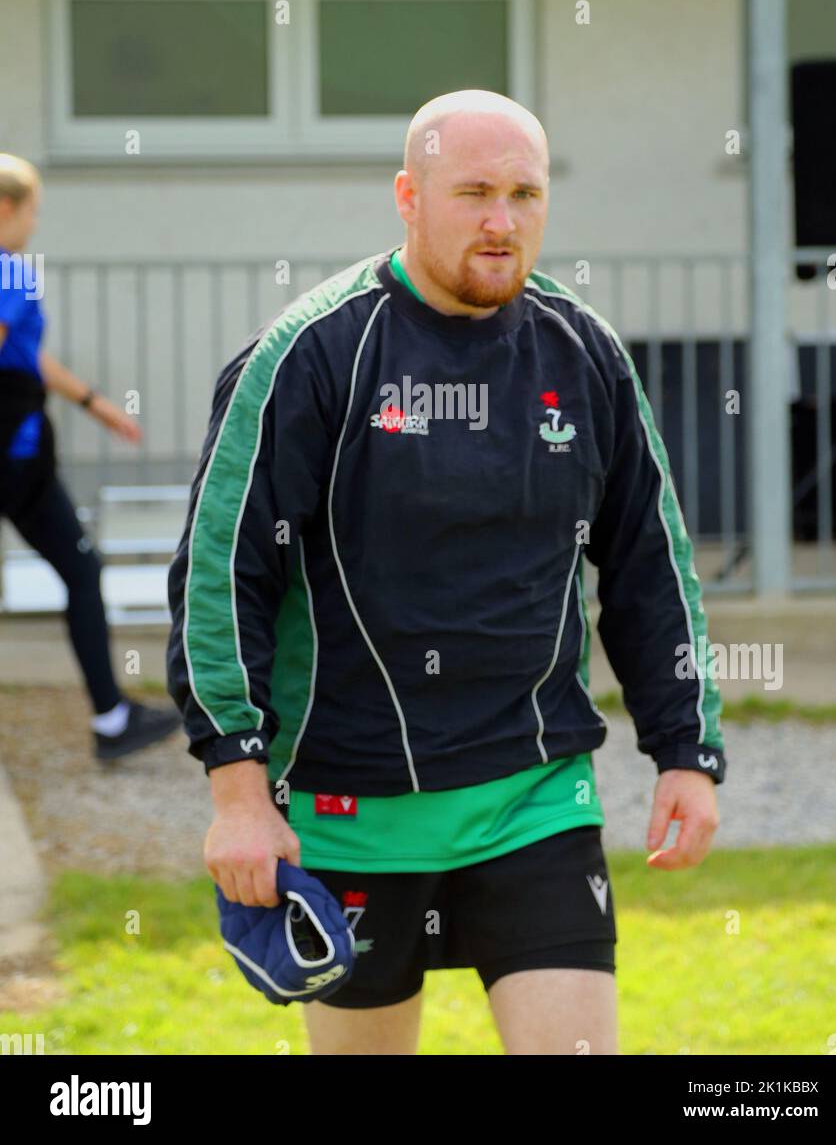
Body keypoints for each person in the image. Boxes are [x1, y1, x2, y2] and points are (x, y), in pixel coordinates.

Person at [167, 90, 726, 1056]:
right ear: (408, 196)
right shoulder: (308, 356)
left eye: (525, 194)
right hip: (351, 811)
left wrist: (686, 748)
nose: (502, 222)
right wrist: (237, 794)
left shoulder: (584, 353)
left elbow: (649, 561)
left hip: (534, 799)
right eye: (473, 192)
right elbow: (222, 580)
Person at [0, 154, 181, 761]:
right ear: (8, 208)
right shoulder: (12, 274)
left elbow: (23, 354)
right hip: (14, 461)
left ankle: (112, 718)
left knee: (82, 570)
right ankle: (110, 719)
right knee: (82, 572)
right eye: (34, 211)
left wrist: (93, 402)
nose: (35, 223)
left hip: (23, 465)